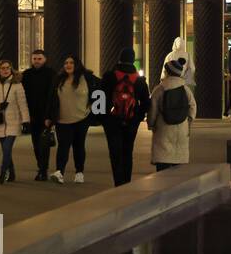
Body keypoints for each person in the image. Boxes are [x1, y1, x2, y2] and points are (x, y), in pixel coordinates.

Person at [100, 47, 151, 187]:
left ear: (119, 58)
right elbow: (146, 103)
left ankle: (118, 181)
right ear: (133, 60)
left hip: (112, 121)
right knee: (127, 151)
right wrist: (137, 118)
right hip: (131, 121)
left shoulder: (109, 76)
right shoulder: (140, 80)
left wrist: (104, 118)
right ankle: (127, 182)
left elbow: (100, 97)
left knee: (115, 152)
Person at [49, 55, 97, 184]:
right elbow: (51, 98)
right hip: (62, 120)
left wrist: (94, 108)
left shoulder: (87, 78)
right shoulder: (59, 79)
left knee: (78, 146)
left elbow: (99, 91)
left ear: (77, 64)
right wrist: (50, 116)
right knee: (63, 146)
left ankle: (79, 172)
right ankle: (59, 172)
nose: (68, 65)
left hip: (81, 118)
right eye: (66, 63)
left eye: (71, 63)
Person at [0, 59, 30, 185]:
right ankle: (12, 173)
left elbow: (23, 104)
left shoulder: (17, 85)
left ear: (11, 69)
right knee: (6, 150)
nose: (5, 70)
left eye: (8, 68)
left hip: (13, 121)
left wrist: (25, 121)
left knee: (7, 147)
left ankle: (3, 171)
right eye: (3, 68)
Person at [148, 57, 196, 171]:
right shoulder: (185, 89)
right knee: (177, 171)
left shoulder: (160, 89)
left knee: (162, 166)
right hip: (181, 127)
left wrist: (151, 123)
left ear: (167, 72)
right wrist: (188, 120)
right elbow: (193, 106)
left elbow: (153, 109)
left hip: (163, 128)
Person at [19, 49, 56, 182]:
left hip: (46, 116)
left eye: (39, 59)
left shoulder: (51, 74)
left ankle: (43, 170)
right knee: (36, 144)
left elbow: (53, 96)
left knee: (44, 144)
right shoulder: (26, 75)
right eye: (34, 59)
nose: (36, 61)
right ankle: (41, 167)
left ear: (45, 59)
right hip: (32, 115)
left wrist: (50, 116)